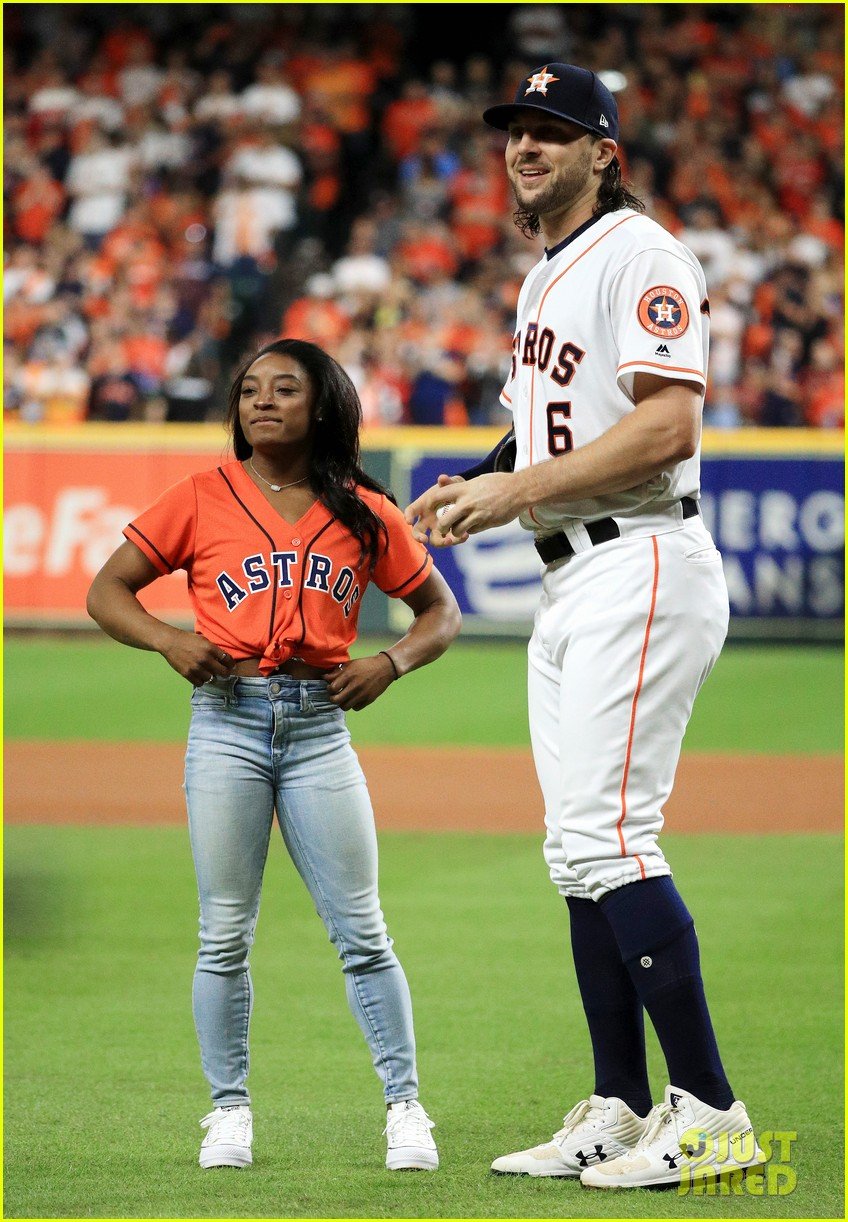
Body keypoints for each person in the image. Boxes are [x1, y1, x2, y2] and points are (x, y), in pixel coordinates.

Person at [406, 64, 764, 1190]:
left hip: (641, 558)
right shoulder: (539, 279)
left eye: (553, 131)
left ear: (602, 151)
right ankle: (616, 1102)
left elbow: (663, 425)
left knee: (611, 840)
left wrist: (511, 495)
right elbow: (537, 437)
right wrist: (478, 481)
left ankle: (709, 1110)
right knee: (576, 855)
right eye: (516, 129)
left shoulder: (641, 254)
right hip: (572, 583)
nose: (526, 146)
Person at [87, 337, 461, 1173]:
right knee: (223, 934)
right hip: (226, 718)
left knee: (363, 931)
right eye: (250, 389)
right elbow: (106, 590)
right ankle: (228, 1112)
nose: (262, 401)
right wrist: (165, 639)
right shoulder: (201, 495)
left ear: (321, 404)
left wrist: (391, 661)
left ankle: (405, 1107)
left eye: (284, 389)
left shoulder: (364, 504)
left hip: (320, 727)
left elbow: (440, 611)